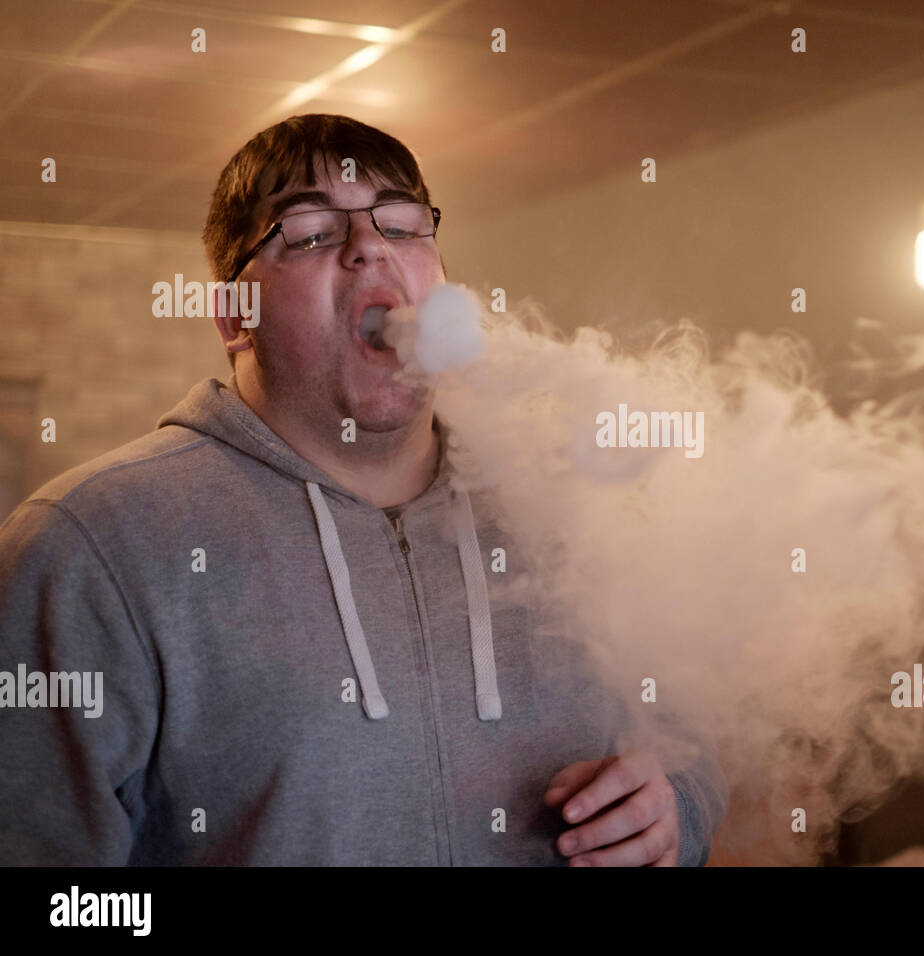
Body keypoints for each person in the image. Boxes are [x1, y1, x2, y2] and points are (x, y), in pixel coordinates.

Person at [0, 114, 727, 866]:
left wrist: (676, 810)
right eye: (311, 233)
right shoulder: (88, 545)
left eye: (403, 226)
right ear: (236, 318)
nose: (370, 247)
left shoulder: (570, 505)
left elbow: (687, 746)